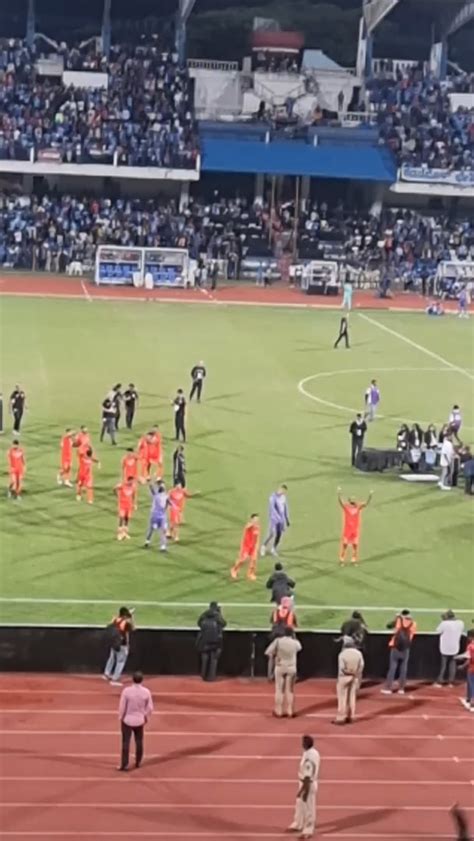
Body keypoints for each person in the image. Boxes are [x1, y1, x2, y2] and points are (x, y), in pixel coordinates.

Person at [118, 671, 153, 772]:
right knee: (139, 741)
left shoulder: (127, 691)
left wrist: (121, 716)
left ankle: (124, 764)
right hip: (139, 720)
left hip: (127, 720)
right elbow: (150, 708)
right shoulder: (146, 692)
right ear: (142, 680)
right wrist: (146, 717)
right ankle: (138, 761)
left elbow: (122, 706)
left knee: (125, 742)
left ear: (132, 679)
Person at [288, 735, 320, 839]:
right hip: (305, 782)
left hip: (308, 784)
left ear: (306, 744)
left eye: (303, 742)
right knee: (300, 803)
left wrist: (303, 790)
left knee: (308, 807)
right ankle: (298, 823)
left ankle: (308, 829)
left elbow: (307, 776)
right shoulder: (313, 752)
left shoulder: (309, 758)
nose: (301, 744)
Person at [265, 626, 301, 717]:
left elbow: (268, 652)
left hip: (280, 666)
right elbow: (299, 648)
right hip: (291, 667)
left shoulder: (278, 641)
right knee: (290, 690)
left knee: (279, 690)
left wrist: (276, 656)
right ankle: (290, 711)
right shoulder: (295, 642)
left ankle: (279, 711)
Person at [381, 609, 417, 695]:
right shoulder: (414, 623)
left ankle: (388, 688)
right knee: (403, 668)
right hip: (406, 648)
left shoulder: (398, 620)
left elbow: (388, 626)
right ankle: (401, 689)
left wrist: (396, 617)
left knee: (393, 667)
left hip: (395, 646)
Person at [337, 487, 373, 566]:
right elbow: (341, 503)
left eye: (354, 500)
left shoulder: (358, 507)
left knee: (355, 545)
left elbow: (366, 504)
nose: (354, 501)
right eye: (352, 500)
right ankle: (342, 558)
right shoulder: (346, 507)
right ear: (350, 501)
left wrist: (370, 496)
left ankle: (354, 559)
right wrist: (339, 494)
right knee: (345, 544)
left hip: (355, 529)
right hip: (347, 529)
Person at [334, 636, 364, 725]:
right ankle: (351, 715)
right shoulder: (358, 653)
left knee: (342, 698)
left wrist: (349, 672)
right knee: (352, 697)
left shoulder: (342, 654)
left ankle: (341, 717)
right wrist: (356, 673)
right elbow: (361, 666)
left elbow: (342, 668)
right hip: (355, 677)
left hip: (344, 677)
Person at [103, 606, 135, 686]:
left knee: (112, 658)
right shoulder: (126, 623)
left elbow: (110, 625)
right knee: (120, 661)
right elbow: (133, 628)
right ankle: (115, 679)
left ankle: (106, 674)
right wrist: (131, 617)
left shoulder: (115, 619)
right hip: (122, 645)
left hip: (113, 643)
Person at [196, 602, 227, 681]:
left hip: (204, 640)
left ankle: (203, 675)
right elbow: (224, 624)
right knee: (214, 659)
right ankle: (211, 677)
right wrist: (220, 614)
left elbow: (199, 623)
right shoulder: (217, 616)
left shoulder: (204, 615)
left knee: (204, 658)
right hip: (215, 641)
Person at [434, 610, 465, 687]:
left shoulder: (444, 624)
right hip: (455, 647)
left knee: (443, 665)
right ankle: (450, 682)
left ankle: (440, 682)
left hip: (445, 647)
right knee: (452, 665)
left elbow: (437, 631)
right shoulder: (460, 623)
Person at [261, 485, 290, 557]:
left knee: (279, 535)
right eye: (282, 490)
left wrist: (287, 519)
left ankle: (273, 549)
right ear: (279, 489)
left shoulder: (283, 497)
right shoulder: (273, 497)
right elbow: (272, 509)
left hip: (281, 520)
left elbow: (285, 508)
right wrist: (277, 517)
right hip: (274, 519)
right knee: (271, 534)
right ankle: (263, 546)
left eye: (284, 492)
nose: (283, 492)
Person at [231, 514, 260, 581]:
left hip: (253, 547)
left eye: (257, 519)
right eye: (255, 519)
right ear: (252, 519)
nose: (257, 520)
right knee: (243, 559)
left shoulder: (257, 527)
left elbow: (257, 537)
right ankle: (234, 570)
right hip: (246, 546)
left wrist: (257, 546)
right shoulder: (249, 525)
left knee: (254, 560)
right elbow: (247, 527)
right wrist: (252, 524)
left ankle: (250, 574)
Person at [143, 481, 171, 551]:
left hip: (157, 515)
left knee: (155, 529)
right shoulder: (162, 496)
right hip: (159, 516)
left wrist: (150, 484)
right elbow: (170, 503)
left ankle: (149, 542)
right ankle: (160, 545)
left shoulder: (158, 495)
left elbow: (152, 489)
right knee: (158, 530)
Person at [455, 629, 474, 711]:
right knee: (470, 685)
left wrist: (462, 665)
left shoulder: (471, 646)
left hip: (472, 669)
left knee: (472, 685)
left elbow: (469, 657)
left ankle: (472, 703)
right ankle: (468, 699)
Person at [115, 477, 137, 541]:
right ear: (128, 480)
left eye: (133, 481)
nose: (132, 482)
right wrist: (117, 495)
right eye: (131, 481)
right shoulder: (122, 485)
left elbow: (133, 495)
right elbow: (114, 488)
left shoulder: (133, 487)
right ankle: (119, 534)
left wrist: (134, 504)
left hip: (129, 506)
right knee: (121, 518)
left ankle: (125, 533)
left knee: (127, 519)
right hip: (122, 505)